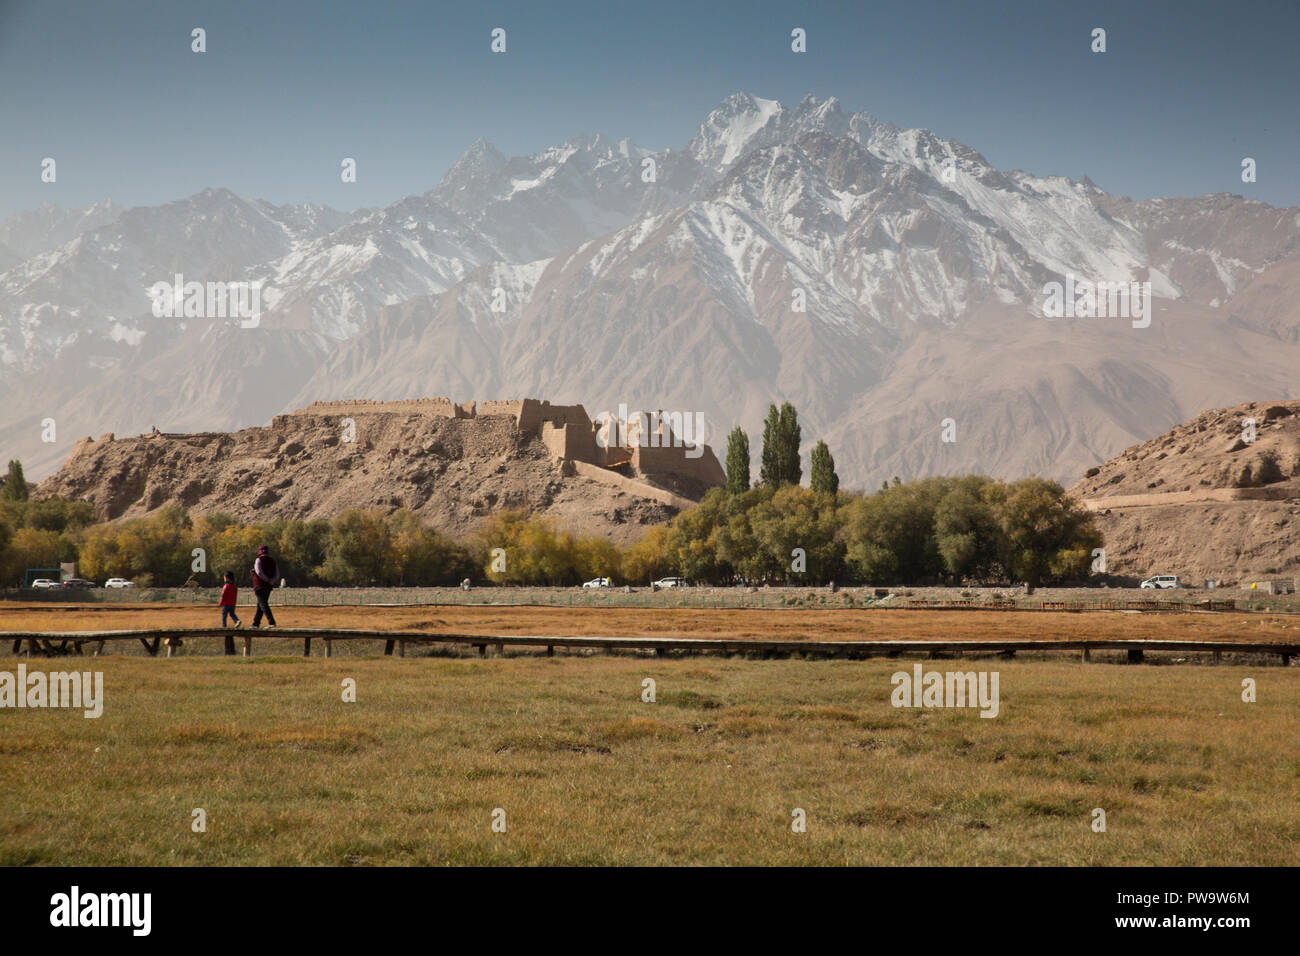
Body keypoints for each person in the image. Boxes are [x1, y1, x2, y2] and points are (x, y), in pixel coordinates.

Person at [250, 544, 280, 628]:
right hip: (268, 586)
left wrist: (266, 579)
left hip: (259, 585)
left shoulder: (258, 560)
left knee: (263, 604)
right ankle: (256, 623)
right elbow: (277, 574)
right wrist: (272, 581)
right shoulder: (273, 561)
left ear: (259, 552)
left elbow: (258, 572)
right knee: (261, 604)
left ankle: (271, 622)